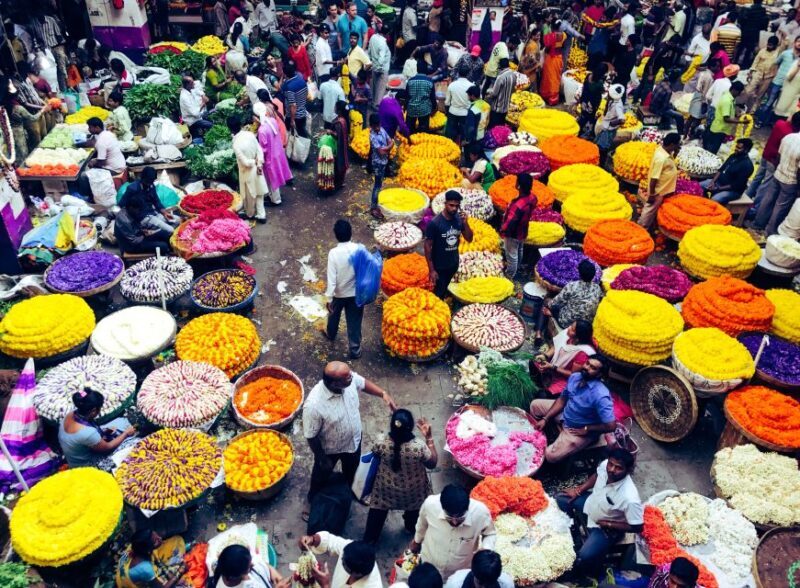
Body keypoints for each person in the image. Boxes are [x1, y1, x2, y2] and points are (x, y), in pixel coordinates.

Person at [303, 361, 396, 500]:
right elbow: (311, 436)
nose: (352, 377)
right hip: (330, 450)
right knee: (321, 474)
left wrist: (383, 394)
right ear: (334, 384)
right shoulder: (314, 405)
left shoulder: (348, 380)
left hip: (353, 442)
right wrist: (322, 458)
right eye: (348, 378)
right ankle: (312, 499)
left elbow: (363, 383)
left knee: (352, 470)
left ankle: (355, 492)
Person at [558, 448, 643, 578]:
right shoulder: (605, 465)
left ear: (628, 471)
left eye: (618, 467)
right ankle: (571, 528)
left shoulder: (630, 498)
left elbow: (637, 526)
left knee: (584, 556)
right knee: (560, 498)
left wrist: (609, 524)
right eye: (611, 464)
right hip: (591, 504)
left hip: (604, 527)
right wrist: (578, 490)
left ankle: (584, 575)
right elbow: (596, 475)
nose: (612, 469)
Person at [363, 409, 437, 544]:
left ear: (391, 425)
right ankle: (410, 528)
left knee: (377, 511)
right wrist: (429, 439)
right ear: (411, 427)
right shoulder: (419, 447)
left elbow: (375, 453)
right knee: (414, 512)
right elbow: (432, 463)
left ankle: (370, 539)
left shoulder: (382, 443)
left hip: (385, 490)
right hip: (413, 492)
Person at [530, 355, 616, 463]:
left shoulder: (601, 395)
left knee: (550, 456)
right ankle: (548, 433)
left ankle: (587, 440)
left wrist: (587, 429)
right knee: (534, 406)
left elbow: (612, 426)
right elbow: (562, 400)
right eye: (587, 363)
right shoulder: (575, 377)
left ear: (599, 374)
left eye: (593, 368)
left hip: (577, 429)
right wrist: (545, 419)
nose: (586, 368)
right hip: (566, 413)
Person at [410, 484, 496, 578]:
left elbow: (490, 534)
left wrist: (486, 550)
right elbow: (422, 524)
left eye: (460, 517)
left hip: (459, 572)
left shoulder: (481, 513)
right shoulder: (430, 505)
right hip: (429, 564)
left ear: (467, 508)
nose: (455, 522)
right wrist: (417, 541)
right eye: (449, 517)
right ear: (442, 507)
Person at [59, 389, 136, 468]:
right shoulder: (88, 433)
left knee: (119, 423)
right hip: (86, 465)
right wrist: (126, 433)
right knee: (133, 442)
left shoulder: (70, 414)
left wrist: (103, 433)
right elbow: (107, 448)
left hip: (74, 457)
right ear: (93, 411)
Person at [535, 259, 603, 341]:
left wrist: (550, 308)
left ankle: (538, 334)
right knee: (568, 303)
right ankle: (549, 317)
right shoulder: (597, 288)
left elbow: (554, 302)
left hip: (567, 322)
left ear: (579, 274)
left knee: (546, 301)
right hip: (584, 325)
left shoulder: (572, 286)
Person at [324, 220, 363, 356]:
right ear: (351, 233)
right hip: (355, 294)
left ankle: (331, 334)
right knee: (354, 322)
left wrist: (329, 298)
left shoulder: (333, 253)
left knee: (333, 316)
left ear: (336, 235)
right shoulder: (359, 249)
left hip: (339, 294)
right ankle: (355, 350)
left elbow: (331, 278)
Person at [425, 190, 474, 298]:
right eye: (451, 205)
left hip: (453, 263)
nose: (454, 209)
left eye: (457, 206)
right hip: (439, 265)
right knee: (438, 292)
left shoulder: (459, 219)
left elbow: (469, 238)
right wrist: (432, 270)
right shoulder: (435, 223)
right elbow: (427, 246)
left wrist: (466, 223)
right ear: (445, 203)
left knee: (445, 285)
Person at [531, 320, 596, 396]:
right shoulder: (568, 334)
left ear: (578, 337)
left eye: (572, 329)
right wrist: (545, 356)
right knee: (533, 361)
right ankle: (539, 384)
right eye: (571, 326)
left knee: (543, 395)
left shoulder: (583, 353)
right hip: (553, 367)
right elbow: (557, 346)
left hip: (565, 379)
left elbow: (572, 374)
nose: (568, 328)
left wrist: (553, 367)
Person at [753, 129, 800, 235]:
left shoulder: (788, 137)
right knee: (780, 207)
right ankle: (769, 231)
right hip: (790, 181)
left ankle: (758, 224)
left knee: (768, 200)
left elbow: (778, 156)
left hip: (778, 173)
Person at [748, 111, 800, 204]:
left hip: (766, 154)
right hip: (774, 160)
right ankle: (754, 204)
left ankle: (748, 195)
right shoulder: (792, 134)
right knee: (765, 185)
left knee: (757, 177)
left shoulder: (779, 123)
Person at [298, 533, 382, 588]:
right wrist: (312, 540)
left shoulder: (373, 585)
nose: (341, 558)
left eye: (344, 563)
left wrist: (325, 585)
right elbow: (331, 541)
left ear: (356, 573)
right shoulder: (351, 549)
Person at [229, 115, 268, 223]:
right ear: (241, 125)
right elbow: (259, 150)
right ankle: (261, 214)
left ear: (230, 129)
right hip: (257, 168)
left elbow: (245, 162)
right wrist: (259, 163)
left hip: (247, 172)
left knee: (249, 195)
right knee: (259, 191)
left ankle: (250, 214)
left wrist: (254, 162)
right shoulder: (250, 134)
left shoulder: (236, 144)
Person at [115, 529, 186, 588]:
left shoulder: (134, 546)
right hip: (126, 584)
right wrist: (178, 573)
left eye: (157, 535)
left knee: (177, 541)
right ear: (148, 550)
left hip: (124, 574)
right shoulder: (145, 569)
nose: (160, 538)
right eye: (156, 541)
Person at [638, 132, 681, 230]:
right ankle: (641, 227)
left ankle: (648, 225)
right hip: (658, 190)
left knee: (652, 209)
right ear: (671, 145)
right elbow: (654, 178)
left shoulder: (663, 151)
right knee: (649, 209)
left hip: (662, 189)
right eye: (677, 145)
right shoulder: (661, 158)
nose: (678, 146)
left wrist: (676, 153)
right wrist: (652, 194)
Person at [499, 173, 537, 280]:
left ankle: (510, 275)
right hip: (523, 230)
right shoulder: (532, 197)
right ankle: (518, 267)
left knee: (512, 255)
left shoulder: (517, 205)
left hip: (513, 234)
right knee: (519, 249)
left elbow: (510, 222)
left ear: (519, 186)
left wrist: (502, 230)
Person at [757, 36, 800, 128]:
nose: (799, 43)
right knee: (769, 102)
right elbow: (775, 63)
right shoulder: (785, 53)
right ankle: (760, 121)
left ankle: (772, 123)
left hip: (789, 86)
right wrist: (774, 75)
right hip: (777, 82)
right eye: (798, 41)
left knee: (781, 106)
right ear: (794, 42)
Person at [254, 102, 292, 207]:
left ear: (257, 117)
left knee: (271, 179)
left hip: (270, 157)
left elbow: (263, 149)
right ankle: (273, 196)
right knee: (275, 175)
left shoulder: (262, 130)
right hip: (278, 153)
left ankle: (275, 199)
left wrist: (258, 157)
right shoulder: (272, 121)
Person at [119, 166, 177, 234]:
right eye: (148, 181)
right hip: (143, 218)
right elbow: (121, 205)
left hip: (153, 213)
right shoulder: (133, 189)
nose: (150, 184)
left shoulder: (151, 186)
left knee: (178, 220)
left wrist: (165, 213)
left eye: (152, 181)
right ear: (142, 178)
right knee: (171, 230)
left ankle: (157, 232)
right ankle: (154, 233)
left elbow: (156, 201)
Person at [701, 138, 754, 204]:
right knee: (699, 185)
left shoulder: (747, 166)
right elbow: (720, 170)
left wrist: (718, 189)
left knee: (715, 199)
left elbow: (736, 185)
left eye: (739, 148)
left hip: (732, 191)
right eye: (736, 146)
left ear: (746, 150)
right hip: (718, 183)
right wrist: (712, 182)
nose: (736, 149)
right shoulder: (733, 156)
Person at [210, 544, 289, 588]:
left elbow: (266, 566)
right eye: (248, 568)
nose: (253, 564)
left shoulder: (232, 565)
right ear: (235, 577)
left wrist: (280, 579)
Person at [704, 80, 745, 154]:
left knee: (712, 149)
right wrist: (741, 122)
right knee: (712, 151)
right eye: (739, 92)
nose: (739, 95)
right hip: (719, 130)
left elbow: (728, 113)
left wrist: (737, 115)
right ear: (735, 90)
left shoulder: (730, 98)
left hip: (721, 128)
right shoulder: (727, 101)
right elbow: (726, 119)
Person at [444, 550, 514, 588]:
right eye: (480, 583)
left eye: (488, 585)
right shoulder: (455, 583)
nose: (484, 587)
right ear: (473, 572)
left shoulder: (507, 584)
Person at [744, 36, 779, 111]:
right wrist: (751, 72)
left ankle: (752, 112)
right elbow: (755, 61)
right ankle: (742, 106)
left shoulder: (778, 53)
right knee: (748, 91)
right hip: (757, 73)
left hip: (768, 77)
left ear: (775, 46)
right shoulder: (762, 51)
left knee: (759, 96)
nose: (768, 46)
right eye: (768, 44)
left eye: (771, 45)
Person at [596, 83, 625, 165]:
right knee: (600, 143)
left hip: (609, 129)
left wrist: (612, 123)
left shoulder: (618, 106)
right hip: (606, 126)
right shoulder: (615, 100)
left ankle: (602, 163)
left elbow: (622, 119)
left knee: (603, 147)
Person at [737, 0, 769, 68]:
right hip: (754, 34)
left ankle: (735, 62)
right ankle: (744, 66)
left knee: (740, 49)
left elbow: (741, 20)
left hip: (744, 32)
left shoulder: (748, 9)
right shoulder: (763, 11)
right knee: (748, 51)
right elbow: (764, 24)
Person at [445, 64, 473, 144]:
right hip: (465, 113)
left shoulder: (452, 85)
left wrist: (447, 112)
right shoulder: (471, 85)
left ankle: (450, 146)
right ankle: (462, 148)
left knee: (450, 134)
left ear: (458, 73)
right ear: (468, 74)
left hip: (453, 112)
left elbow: (447, 102)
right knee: (463, 133)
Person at [406, 63, 436, 133]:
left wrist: (405, 107)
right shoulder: (430, 81)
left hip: (411, 109)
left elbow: (407, 96)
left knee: (410, 130)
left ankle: (410, 141)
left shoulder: (410, 81)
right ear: (426, 70)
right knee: (423, 132)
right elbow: (432, 98)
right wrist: (434, 108)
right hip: (424, 109)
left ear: (417, 69)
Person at [485, 58, 516, 127]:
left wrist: (488, 93)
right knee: (501, 126)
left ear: (500, 66)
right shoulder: (513, 75)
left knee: (493, 127)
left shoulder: (500, 77)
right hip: (506, 107)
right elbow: (513, 90)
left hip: (497, 108)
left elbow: (494, 93)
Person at [541, 24, 567, 105]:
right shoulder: (564, 35)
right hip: (559, 58)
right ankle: (553, 99)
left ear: (552, 27)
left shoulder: (550, 36)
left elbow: (547, 47)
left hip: (551, 59)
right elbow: (563, 46)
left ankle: (547, 96)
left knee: (548, 78)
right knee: (556, 78)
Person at [282, 61, 309, 138]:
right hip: (303, 113)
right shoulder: (301, 79)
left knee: (296, 136)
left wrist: (292, 120)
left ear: (285, 73)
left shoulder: (289, 87)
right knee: (302, 132)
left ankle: (301, 149)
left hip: (294, 117)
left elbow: (293, 105)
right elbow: (306, 94)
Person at [331, 101, 350, 189]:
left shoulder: (339, 122)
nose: (334, 107)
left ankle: (337, 183)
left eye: (335, 106)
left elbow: (337, 136)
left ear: (339, 110)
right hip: (344, 146)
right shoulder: (345, 120)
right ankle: (340, 182)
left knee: (338, 164)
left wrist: (330, 132)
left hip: (339, 147)